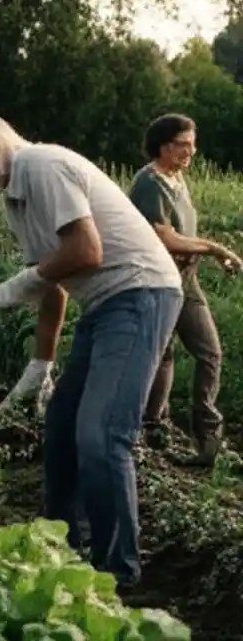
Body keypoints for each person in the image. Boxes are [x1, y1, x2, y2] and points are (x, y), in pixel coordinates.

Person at [0, 111, 182, 588]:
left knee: (102, 434)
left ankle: (117, 570)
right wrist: (41, 363)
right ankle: (65, 546)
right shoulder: (16, 197)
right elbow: (54, 285)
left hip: (140, 293)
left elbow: (86, 252)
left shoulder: (40, 165)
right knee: (60, 425)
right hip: (106, 303)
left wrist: (24, 280)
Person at [129, 114, 240, 465]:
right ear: (164, 146)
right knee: (161, 355)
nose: (191, 151)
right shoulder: (149, 183)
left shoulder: (177, 180)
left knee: (210, 352)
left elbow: (184, 236)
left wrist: (207, 255)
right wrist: (216, 248)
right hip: (156, 279)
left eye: (193, 144)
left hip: (184, 279)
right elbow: (165, 236)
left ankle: (208, 438)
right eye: (183, 144)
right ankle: (150, 426)